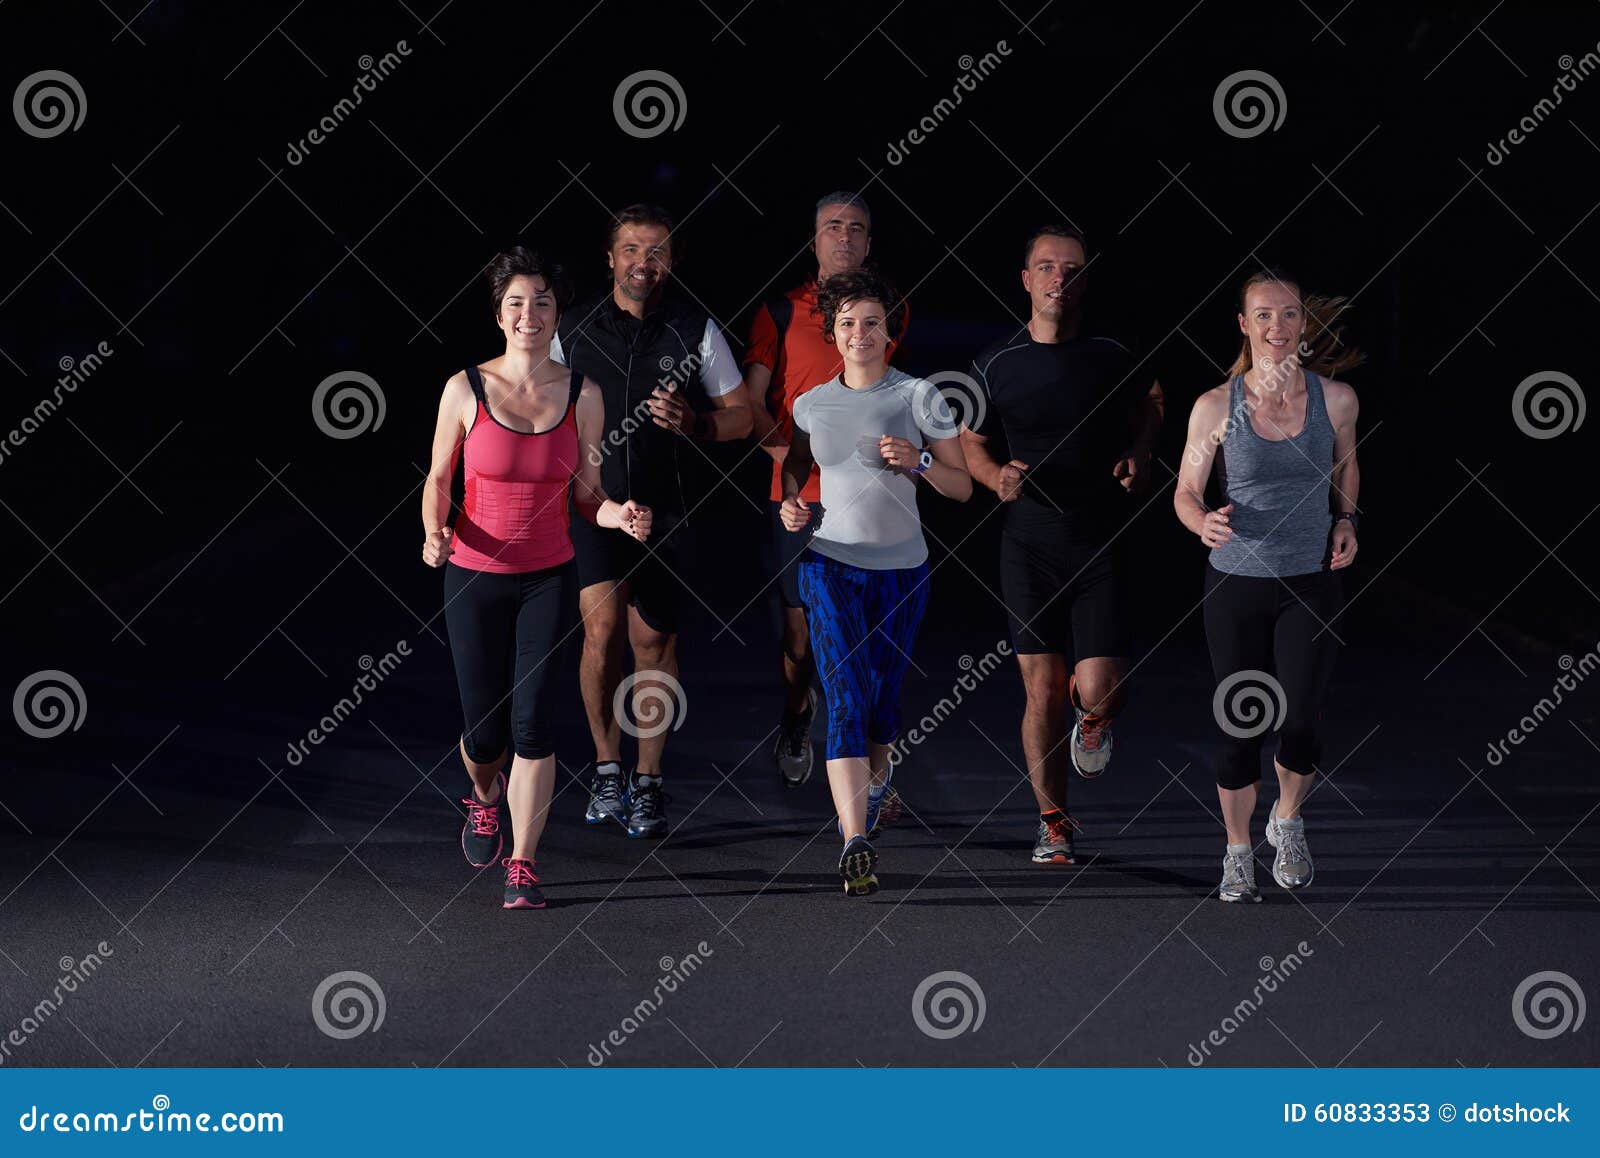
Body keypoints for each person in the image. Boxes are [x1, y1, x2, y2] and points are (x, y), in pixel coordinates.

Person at [421, 247, 651, 909]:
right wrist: (433, 531)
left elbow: (588, 494)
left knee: (532, 726)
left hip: (549, 577)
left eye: (543, 302)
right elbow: (438, 480)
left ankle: (522, 863)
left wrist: (619, 515)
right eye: (518, 302)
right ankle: (483, 795)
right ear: (499, 314)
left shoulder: (584, 394)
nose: (530, 313)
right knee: (485, 732)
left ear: (558, 317)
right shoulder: (464, 389)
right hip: (473, 575)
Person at [960, 225, 1163, 866]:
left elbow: (1152, 398)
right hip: (1029, 545)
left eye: (1070, 269)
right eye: (1045, 267)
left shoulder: (1111, 352)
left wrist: (1139, 450)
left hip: (1099, 540)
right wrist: (994, 477)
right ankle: (1053, 822)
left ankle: (1094, 714)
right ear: (1025, 279)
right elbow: (971, 437)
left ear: (1083, 281)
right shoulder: (996, 363)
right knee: (1039, 691)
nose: (1058, 279)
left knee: (1102, 690)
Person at [551, 204, 752, 838]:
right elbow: (537, 408)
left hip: (670, 511)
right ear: (610, 258)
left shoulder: (696, 330)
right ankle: (607, 770)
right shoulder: (574, 329)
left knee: (651, 644)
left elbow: (741, 416)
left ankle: (647, 782)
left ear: (672, 261)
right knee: (602, 629)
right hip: (595, 506)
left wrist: (695, 423)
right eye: (632, 250)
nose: (644, 262)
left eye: (657, 251)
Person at [780, 268, 971, 895]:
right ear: (832, 335)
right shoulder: (812, 404)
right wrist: (790, 505)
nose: (859, 333)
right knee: (846, 699)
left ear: (889, 332)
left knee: (883, 707)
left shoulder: (919, 396)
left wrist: (916, 461)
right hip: (829, 562)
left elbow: (962, 487)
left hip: (902, 570)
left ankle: (880, 778)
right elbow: (798, 472)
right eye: (847, 324)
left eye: (871, 323)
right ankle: (854, 842)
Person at [1174, 269, 1362, 903]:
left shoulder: (1336, 400)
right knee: (1238, 727)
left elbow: (1347, 468)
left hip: (1309, 581)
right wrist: (1201, 520)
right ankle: (1236, 850)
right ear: (1244, 325)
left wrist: (1344, 519)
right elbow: (1185, 491)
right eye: (1263, 316)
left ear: (1303, 325)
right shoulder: (1214, 407)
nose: (1276, 328)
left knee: (1302, 720)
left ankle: (1287, 819)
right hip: (1236, 584)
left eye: (1287, 315)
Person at [744, 192, 910, 791]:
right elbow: (752, 400)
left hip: (868, 501)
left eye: (857, 228)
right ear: (814, 241)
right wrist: (786, 459)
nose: (845, 236)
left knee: (865, 634)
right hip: (799, 499)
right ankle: (796, 712)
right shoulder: (781, 312)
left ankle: (872, 775)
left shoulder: (893, 311)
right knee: (800, 639)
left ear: (869, 243)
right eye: (832, 227)